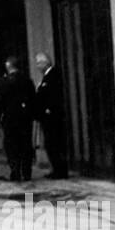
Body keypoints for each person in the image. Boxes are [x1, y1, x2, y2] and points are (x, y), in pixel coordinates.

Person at [0, 56, 36, 182]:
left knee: (12, 146)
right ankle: (27, 172)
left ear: (8, 66)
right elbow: (32, 99)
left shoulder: (4, 82)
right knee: (26, 145)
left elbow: (1, 102)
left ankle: (15, 171)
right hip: (25, 118)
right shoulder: (27, 80)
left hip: (10, 119)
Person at [33, 51, 69, 179]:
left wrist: (47, 110)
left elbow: (52, 96)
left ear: (45, 63)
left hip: (52, 117)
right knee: (51, 144)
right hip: (47, 117)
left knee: (54, 144)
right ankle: (57, 169)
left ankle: (60, 171)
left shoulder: (52, 76)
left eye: (38, 63)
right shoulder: (46, 77)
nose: (37, 66)